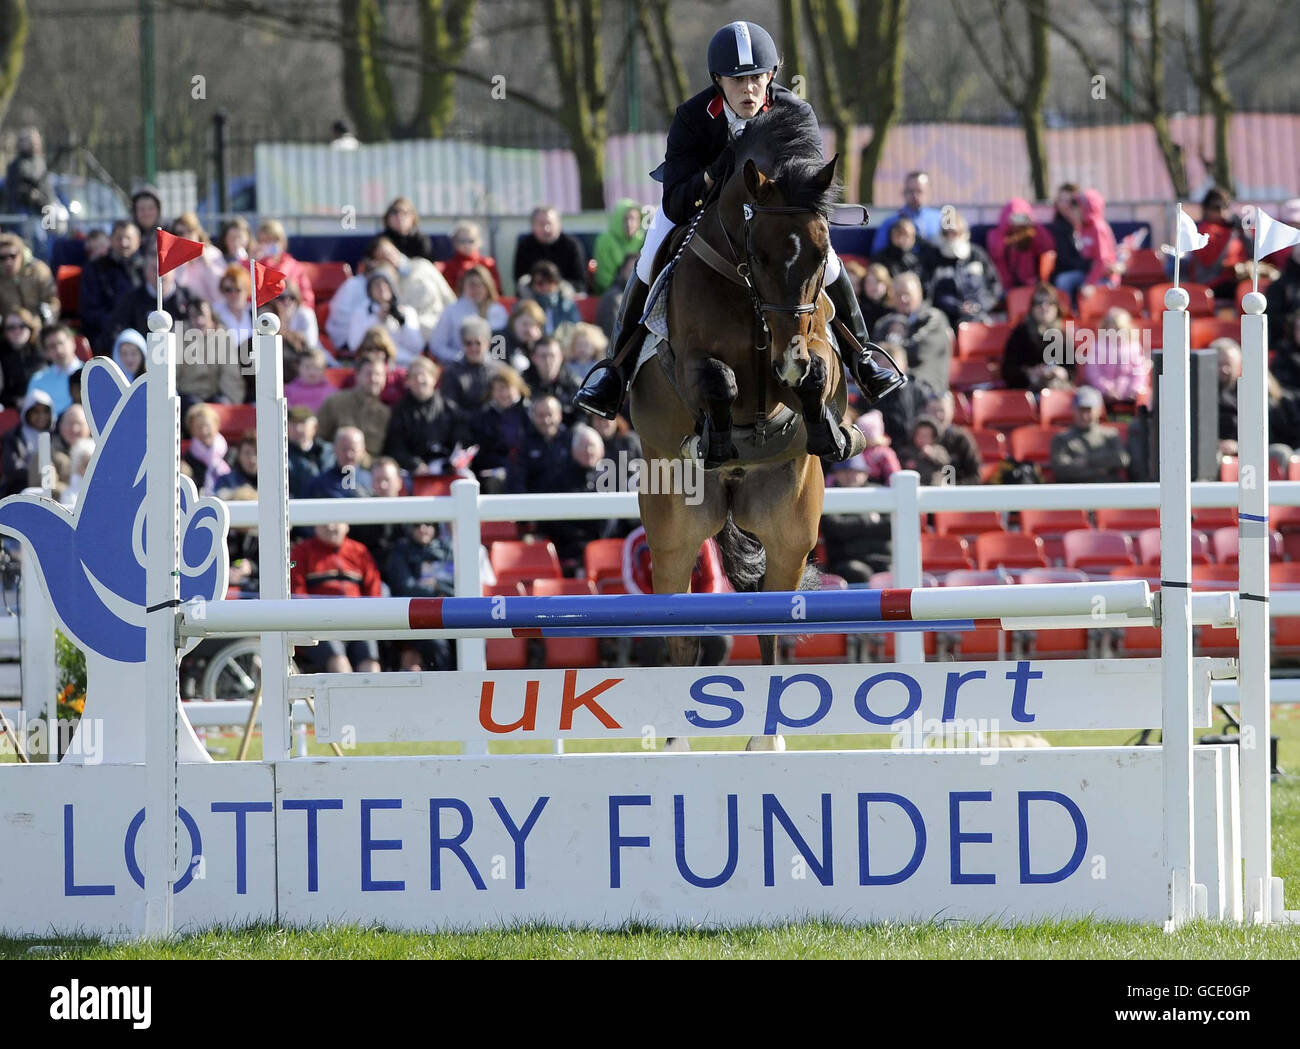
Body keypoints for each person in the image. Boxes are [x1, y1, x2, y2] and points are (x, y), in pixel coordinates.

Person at [574, 20, 901, 420]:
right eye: (737, 80)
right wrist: (713, 174)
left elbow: (808, 190)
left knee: (828, 261)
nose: (749, 89)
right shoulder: (692, 117)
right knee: (647, 259)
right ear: (718, 80)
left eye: (757, 77)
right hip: (699, 210)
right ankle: (616, 372)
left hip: (775, 217)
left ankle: (862, 356)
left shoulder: (795, 113)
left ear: (772, 75)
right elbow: (676, 201)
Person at [290, 523, 382, 674]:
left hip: (359, 622)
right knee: (338, 661)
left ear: (347, 526)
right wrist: (316, 618)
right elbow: (296, 592)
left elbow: (374, 589)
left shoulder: (359, 551)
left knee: (370, 662)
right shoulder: (301, 551)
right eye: (324, 522)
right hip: (320, 623)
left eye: (336, 522)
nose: (330, 527)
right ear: (315, 526)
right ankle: (348, 698)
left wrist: (368, 617)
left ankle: (370, 697)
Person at [384, 522, 456, 671]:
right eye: (417, 525)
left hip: (451, 613)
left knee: (471, 639)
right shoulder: (400, 552)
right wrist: (438, 593)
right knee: (436, 643)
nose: (423, 529)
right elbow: (404, 587)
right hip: (417, 617)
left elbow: (461, 587)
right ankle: (446, 686)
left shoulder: (448, 551)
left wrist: (437, 586)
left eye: (428, 524)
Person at [871, 272, 952, 398]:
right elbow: (874, 355)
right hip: (891, 390)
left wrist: (893, 344)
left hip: (927, 390)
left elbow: (918, 352)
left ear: (919, 294)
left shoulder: (934, 318)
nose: (903, 299)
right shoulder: (885, 322)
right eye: (898, 295)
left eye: (907, 294)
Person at [384, 356, 459, 476]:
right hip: (411, 470)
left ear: (434, 379)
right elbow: (395, 446)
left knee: (467, 479)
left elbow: (460, 440)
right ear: (407, 382)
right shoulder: (400, 411)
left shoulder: (450, 408)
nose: (419, 380)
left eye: (424, 375)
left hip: (446, 466)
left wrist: (453, 462)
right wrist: (415, 464)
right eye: (414, 376)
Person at [928, 211, 1001, 329]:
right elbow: (931, 292)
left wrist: (979, 305)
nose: (951, 236)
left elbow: (995, 285)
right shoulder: (935, 258)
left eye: (954, 232)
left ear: (963, 232)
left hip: (980, 314)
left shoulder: (977, 254)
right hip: (948, 320)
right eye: (947, 233)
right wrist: (957, 307)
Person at [315, 349, 393, 459]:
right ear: (357, 376)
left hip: (371, 471)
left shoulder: (386, 414)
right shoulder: (336, 402)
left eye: (378, 374)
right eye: (368, 374)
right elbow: (318, 438)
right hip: (337, 466)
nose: (373, 379)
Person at [175, 297, 247, 414]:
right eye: (194, 316)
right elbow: (173, 373)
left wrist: (232, 405)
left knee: (222, 405)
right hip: (187, 396)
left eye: (203, 316)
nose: (199, 321)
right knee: (194, 407)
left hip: (213, 395)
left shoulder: (223, 337)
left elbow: (230, 375)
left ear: (211, 318)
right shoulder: (178, 336)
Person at [426, 265, 509, 364]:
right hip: (459, 366)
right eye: (472, 285)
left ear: (487, 286)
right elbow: (437, 345)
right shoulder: (451, 310)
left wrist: (492, 365)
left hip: (490, 366)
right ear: (463, 286)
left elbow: (499, 346)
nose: (476, 289)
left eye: (480, 285)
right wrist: (460, 357)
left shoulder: (497, 311)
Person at [467, 367, 531, 493]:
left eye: (506, 388)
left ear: (517, 388)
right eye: (497, 389)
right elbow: (481, 452)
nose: (502, 394)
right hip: (496, 470)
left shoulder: (530, 412)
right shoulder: (483, 417)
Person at [79, 221, 140, 353]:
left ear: (138, 240)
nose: (124, 243)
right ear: (111, 240)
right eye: (119, 238)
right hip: (107, 335)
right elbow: (89, 310)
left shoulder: (147, 268)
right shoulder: (95, 268)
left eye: (128, 238)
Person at [108, 241, 184, 346]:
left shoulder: (188, 299)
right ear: (145, 270)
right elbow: (118, 331)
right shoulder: (131, 300)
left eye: (164, 268)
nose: (160, 274)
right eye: (154, 269)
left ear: (174, 269)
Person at [343, 270, 424, 366]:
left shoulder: (407, 312)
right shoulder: (360, 313)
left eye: (385, 284)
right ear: (370, 291)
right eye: (376, 285)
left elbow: (416, 347)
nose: (381, 288)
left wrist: (402, 322)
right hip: (371, 366)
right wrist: (376, 319)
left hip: (403, 364)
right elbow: (354, 345)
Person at [1049, 386, 1128, 483]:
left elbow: (1121, 459)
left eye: (1088, 410)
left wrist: (1086, 462)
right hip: (1074, 491)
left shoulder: (1111, 435)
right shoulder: (1061, 439)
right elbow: (1061, 469)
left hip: (1107, 491)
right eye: (1081, 410)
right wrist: (1102, 468)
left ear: (1098, 410)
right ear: (1073, 410)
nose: (1085, 416)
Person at [1001, 283, 1071, 390]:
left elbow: (1072, 371)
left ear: (1057, 307)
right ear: (1032, 308)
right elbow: (1008, 370)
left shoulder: (1063, 335)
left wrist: (1060, 372)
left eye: (1050, 303)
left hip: (1058, 390)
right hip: (1028, 390)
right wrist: (1030, 373)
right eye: (1039, 303)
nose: (1044, 307)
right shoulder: (1020, 333)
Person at [1077, 307, 1151, 408]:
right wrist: (1107, 389)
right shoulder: (1098, 346)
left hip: (1130, 393)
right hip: (1102, 394)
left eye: (1119, 329)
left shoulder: (1134, 347)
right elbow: (1093, 373)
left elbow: (1140, 373)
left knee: (1147, 396)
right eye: (1111, 329)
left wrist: (1132, 389)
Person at [1187, 187, 1250, 300]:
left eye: (1225, 206)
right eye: (1216, 207)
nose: (1221, 211)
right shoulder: (1203, 231)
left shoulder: (1232, 231)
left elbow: (1253, 254)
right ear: (1205, 209)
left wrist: (1243, 232)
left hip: (1232, 280)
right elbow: (1210, 261)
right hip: (1210, 284)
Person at [513, 205, 588, 293]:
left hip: (564, 298)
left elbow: (580, 282)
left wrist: (557, 287)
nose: (546, 229)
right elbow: (519, 278)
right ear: (533, 226)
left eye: (550, 223)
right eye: (541, 224)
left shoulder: (572, 245)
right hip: (533, 297)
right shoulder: (525, 246)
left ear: (559, 224)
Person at [986, 198, 1054, 294]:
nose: (1018, 221)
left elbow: (1047, 248)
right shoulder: (997, 234)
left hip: (1031, 283)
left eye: (1022, 217)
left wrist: (1033, 228)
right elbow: (996, 253)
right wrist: (1010, 238)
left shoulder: (1034, 232)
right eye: (1015, 217)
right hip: (1006, 285)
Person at [871, 171, 944, 253]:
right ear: (903, 193)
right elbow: (878, 254)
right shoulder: (890, 223)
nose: (915, 196)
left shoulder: (940, 220)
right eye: (911, 191)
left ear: (929, 192)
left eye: (919, 191)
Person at [438, 316, 497, 413]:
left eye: (478, 343)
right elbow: (449, 404)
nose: (473, 348)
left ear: (488, 344)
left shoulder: (498, 370)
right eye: (468, 343)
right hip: (462, 424)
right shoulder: (451, 372)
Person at [1, 389, 54, 496]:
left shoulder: (56, 436)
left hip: (53, 492)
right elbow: (11, 469)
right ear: (26, 412)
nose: (41, 416)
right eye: (36, 411)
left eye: (45, 411)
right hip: (19, 492)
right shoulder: (13, 437)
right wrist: (38, 476)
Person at [253, 219, 315, 310]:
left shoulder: (295, 266)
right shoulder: (255, 266)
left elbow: (307, 298)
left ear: (282, 241)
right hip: (266, 316)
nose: (270, 244)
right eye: (265, 241)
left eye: (274, 240)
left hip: (292, 314)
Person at [925, 391, 982, 485]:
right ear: (925, 410)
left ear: (952, 411)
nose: (938, 416)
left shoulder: (961, 438)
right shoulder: (917, 437)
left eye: (942, 410)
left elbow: (975, 477)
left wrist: (949, 487)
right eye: (933, 411)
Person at [169, 213, 227, 305]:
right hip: (184, 312)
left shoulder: (213, 253)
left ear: (197, 231)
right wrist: (183, 261)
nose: (185, 236)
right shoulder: (172, 257)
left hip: (211, 311)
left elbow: (219, 293)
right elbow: (177, 289)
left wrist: (207, 263)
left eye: (190, 231)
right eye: (180, 233)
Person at [0, 233, 59, 322]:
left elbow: (53, 302)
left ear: (21, 254)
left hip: (40, 327)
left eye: (12, 256)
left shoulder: (39, 271)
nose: (8, 262)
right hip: (10, 329)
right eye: (2, 258)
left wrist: (44, 319)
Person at [592, 199, 645, 294]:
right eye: (625, 219)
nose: (629, 224)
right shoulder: (605, 241)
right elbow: (603, 279)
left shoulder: (644, 240)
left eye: (633, 219)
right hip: (610, 294)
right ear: (617, 219)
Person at [27, 323, 80, 417]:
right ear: (45, 352)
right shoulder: (38, 381)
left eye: (61, 343)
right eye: (52, 346)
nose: (58, 350)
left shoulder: (93, 374)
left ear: (73, 342)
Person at [521, 336, 579, 419]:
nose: (548, 361)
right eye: (543, 356)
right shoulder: (523, 383)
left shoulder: (573, 384)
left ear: (561, 357)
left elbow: (581, 416)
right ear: (534, 358)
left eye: (552, 355)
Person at [1048, 183, 1089, 301]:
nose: (1065, 205)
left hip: (1092, 271)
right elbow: (1065, 259)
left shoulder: (1091, 227)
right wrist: (1088, 266)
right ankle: (1069, 319)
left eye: (1070, 201)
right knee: (1064, 280)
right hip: (1071, 271)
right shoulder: (1058, 229)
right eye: (1061, 200)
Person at [4, 128, 56, 220]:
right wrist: (28, 193)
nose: (36, 145)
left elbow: (47, 187)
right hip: (23, 209)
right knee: (35, 232)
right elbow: (14, 189)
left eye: (37, 142)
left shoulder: (40, 162)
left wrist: (46, 199)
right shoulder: (16, 165)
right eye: (33, 142)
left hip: (42, 207)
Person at [307, 427, 372, 499]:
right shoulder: (317, 484)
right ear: (334, 449)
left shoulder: (372, 482)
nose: (348, 455)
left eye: (353, 450)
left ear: (363, 450)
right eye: (344, 449)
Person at [182, 403, 231, 496]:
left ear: (216, 425)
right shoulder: (187, 460)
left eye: (207, 426)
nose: (204, 431)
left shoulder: (232, 454)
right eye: (198, 427)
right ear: (191, 430)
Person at [286, 406, 335, 498]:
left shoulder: (328, 452)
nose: (298, 429)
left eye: (302, 423)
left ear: (315, 427)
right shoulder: (282, 455)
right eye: (293, 424)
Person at [520, 260, 580, 334]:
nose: (545, 287)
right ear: (532, 285)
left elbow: (575, 328)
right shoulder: (524, 306)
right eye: (540, 283)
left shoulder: (567, 303)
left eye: (550, 282)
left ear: (557, 283)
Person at [872, 216, 935, 286]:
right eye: (899, 234)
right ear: (891, 235)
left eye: (908, 235)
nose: (903, 238)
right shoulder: (880, 259)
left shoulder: (920, 259)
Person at [1076, 189, 1120, 290]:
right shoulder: (1082, 227)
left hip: (1104, 277)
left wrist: (1089, 284)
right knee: (1065, 280)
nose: (1077, 209)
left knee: (1088, 295)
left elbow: (1102, 261)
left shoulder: (1098, 228)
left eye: (1080, 205)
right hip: (1089, 274)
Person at [440, 222, 500, 296]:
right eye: (462, 241)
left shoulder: (487, 264)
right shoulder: (448, 266)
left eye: (471, 241)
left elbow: (496, 291)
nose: (466, 245)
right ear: (455, 243)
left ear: (479, 242)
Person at [1, 307, 38, 400]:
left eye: (22, 326)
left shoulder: (43, 352)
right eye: (11, 328)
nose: (17, 331)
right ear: (4, 331)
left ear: (30, 327)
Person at [284, 347, 336, 415]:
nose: (312, 372)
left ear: (324, 369)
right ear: (297, 367)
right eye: (307, 367)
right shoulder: (289, 390)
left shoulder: (332, 391)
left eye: (317, 368)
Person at [1213, 337, 1242, 456]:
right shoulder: (1196, 393)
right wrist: (1216, 444)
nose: (1224, 370)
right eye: (1219, 364)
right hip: (1210, 452)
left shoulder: (1251, 392)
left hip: (1246, 449)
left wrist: (1239, 446)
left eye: (1229, 365)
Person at [858, 262, 893, 332]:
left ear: (886, 284)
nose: (874, 286)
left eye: (878, 281)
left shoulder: (893, 311)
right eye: (869, 282)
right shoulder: (858, 310)